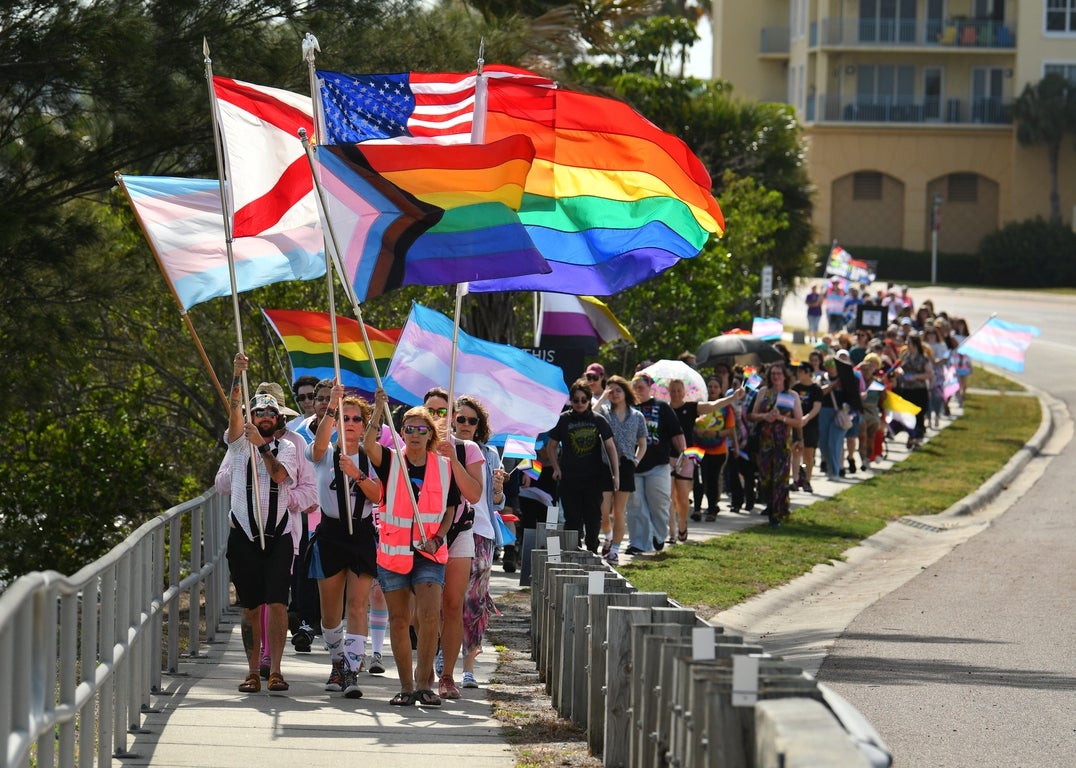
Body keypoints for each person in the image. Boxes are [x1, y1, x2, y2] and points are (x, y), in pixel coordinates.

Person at [364, 389, 465, 707]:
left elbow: (450, 508)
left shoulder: (444, 465)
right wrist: (379, 409)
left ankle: (425, 685)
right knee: (398, 619)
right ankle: (406, 686)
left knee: (430, 616)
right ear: (401, 432)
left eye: (422, 429)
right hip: (394, 552)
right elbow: (367, 445)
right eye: (409, 428)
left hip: (429, 551)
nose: (415, 434)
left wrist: (440, 536)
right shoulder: (391, 460)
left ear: (431, 433)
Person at [215, 353, 298, 694]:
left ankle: (275, 670)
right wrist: (237, 375)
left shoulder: (288, 448)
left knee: (278, 603)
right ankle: (252, 671)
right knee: (251, 606)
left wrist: (263, 446)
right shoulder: (236, 445)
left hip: (278, 535)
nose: (264, 416)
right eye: (258, 412)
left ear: (279, 418)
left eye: (270, 412)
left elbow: (280, 475)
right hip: (243, 535)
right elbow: (234, 410)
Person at [307, 383, 382, 699]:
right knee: (329, 612)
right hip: (331, 534)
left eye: (355, 419)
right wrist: (332, 407)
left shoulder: (371, 457)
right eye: (344, 418)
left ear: (364, 426)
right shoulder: (324, 453)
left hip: (362, 534)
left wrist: (358, 474)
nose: (350, 424)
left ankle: (352, 670)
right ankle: (336, 662)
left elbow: (379, 495)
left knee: (357, 605)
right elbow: (318, 445)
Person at [420, 388, 484, 701]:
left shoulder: (467, 448)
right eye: (430, 410)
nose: (436, 416)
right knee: (424, 608)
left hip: (459, 533)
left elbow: (474, 494)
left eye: (443, 411)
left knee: (452, 605)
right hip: (422, 535)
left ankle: (447, 675)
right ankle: (426, 665)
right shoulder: (412, 447)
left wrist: (452, 460)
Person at [452, 395, 506, 691]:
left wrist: (498, 490)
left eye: (472, 420)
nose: (466, 425)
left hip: (482, 532)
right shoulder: (443, 449)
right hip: (449, 531)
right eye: (461, 419)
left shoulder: (490, 453)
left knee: (474, 601)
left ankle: (469, 666)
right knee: (449, 599)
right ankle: (441, 656)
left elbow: (495, 504)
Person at [547, 380, 619, 553]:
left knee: (593, 517)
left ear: (589, 400)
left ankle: (593, 549)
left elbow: (611, 447)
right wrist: (556, 468)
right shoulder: (563, 420)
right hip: (569, 478)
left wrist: (616, 475)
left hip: (593, 478)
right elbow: (551, 446)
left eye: (583, 400)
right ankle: (573, 551)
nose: (580, 403)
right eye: (576, 400)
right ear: (571, 400)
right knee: (572, 518)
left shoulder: (598, 420)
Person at [626, 372, 685, 554]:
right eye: (634, 387)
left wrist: (681, 456)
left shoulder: (662, 407)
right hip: (633, 465)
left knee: (659, 503)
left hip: (658, 465)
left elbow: (677, 434)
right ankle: (638, 543)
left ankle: (659, 536)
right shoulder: (626, 408)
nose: (637, 390)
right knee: (635, 507)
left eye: (641, 387)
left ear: (649, 388)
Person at [595, 375, 647, 564]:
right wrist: (602, 397)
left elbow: (643, 442)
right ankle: (608, 536)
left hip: (626, 465)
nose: (614, 394)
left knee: (619, 511)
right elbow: (590, 414)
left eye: (618, 390)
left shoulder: (637, 416)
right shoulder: (604, 412)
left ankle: (615, 550)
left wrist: (636, 460)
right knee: (603, 510)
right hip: (605, 464)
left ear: (626, 392)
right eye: (611, 390)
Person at [747, 363, 804, 527]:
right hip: (764, 441)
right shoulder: (764, 392)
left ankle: (776, 512)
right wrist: (765, 416)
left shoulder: (792, 395)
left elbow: (799, 421)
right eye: (773, 374)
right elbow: (752, 415)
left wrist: (781, 418)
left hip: (783, 442)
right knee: (765, 477)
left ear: (785, 376)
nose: (776, 377)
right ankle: (771, 505)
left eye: (779, 374)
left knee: (780, 477)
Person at [689, 374, 737, 523]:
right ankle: (697, 509)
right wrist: (696, 431)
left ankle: (711, 510)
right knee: (697, 481)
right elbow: (689, 422)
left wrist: (715, 433)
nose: (712, 389)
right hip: (697, 449)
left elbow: (730, 429)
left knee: (712, 481)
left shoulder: (725, 407)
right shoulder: (698, 404)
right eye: (710, 386)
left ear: (720, 389)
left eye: (716, 386)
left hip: (718, 451)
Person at [895, 332, 933, 450]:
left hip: (918, 389)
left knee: (918, 415)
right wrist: (900, 371)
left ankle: (917, 439)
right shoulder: (905, 356)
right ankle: (911, 436)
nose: (907, 345)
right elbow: (900, 366)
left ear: (915, 344)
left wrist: (916, 377)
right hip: (906, 389)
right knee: (908, 415)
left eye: (909, 343)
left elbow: (929, 374)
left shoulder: (923, 358)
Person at [790, 362, 824, 493]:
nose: (798, 374)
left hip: (810, 426)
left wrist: (806, 418)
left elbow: (816, 407)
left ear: (808, 373)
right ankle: (795, 480)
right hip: (795, 424)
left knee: (808, 454)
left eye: (801, 371)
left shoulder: (816, 389)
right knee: (796, 452)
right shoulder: (795, 388)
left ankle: (807, 480)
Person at [856, 354, 886, 472]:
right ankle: (863, 459)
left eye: (868, 369)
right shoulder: (857, 382)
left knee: (871, 437)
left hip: (873, 412)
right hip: (861, 411)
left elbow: (883, 398)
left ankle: (868, 458)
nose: (865, 372)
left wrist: (882, 388)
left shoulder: (877, 383)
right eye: (863, 369)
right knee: (862, 436)